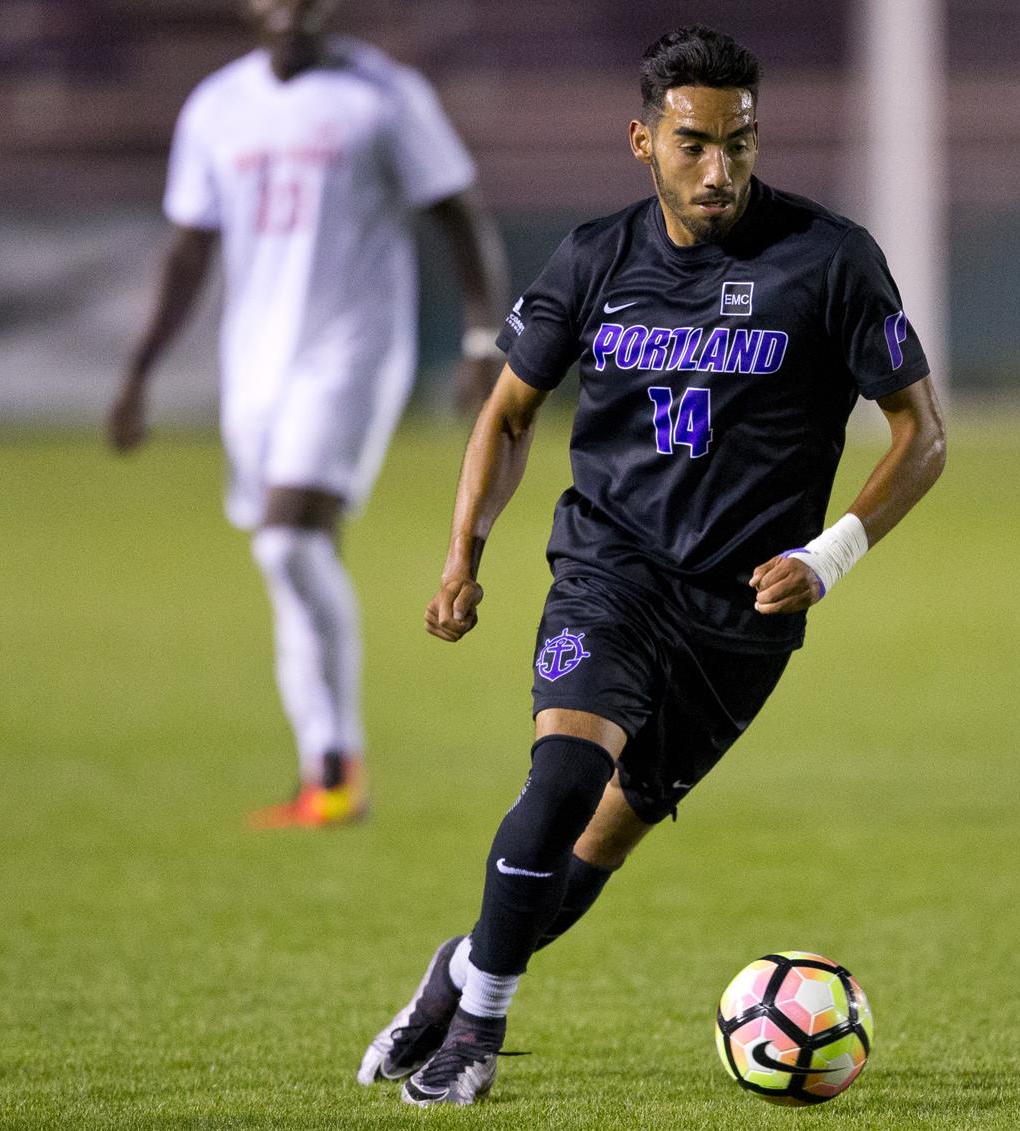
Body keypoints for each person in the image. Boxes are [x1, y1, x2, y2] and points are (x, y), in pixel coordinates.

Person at [355, 25, 948, 1106]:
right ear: (642, 141)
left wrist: (829, 554)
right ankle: (478, 1029)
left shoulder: (828, 258)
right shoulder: (592, 260)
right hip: (609, 573)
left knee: (592, 850)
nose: (718, 169)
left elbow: (923, 436)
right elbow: (507, 414)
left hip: (743, 615)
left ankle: (460, 967)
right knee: (564, 772)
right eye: (691, 145)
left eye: (738, 142)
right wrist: (461, 557)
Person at [109, 0, 510, 829]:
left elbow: (458, 211)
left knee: (290, 541)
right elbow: (188, 249)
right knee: (288, 561)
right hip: (255, 366)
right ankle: (325, 778)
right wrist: (139, 369)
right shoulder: (217, 107)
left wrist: (481, 336)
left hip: (351, 353)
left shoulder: (385, 95)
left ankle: (337, 759)